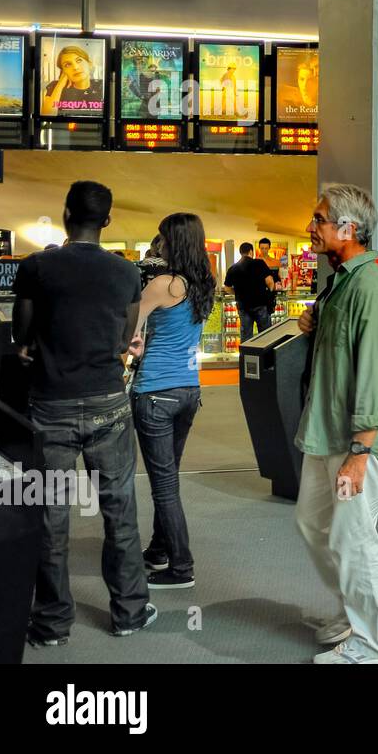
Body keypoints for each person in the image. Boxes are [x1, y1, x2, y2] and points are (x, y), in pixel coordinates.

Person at [12, 180, 156, 644]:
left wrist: (36, 347)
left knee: (50, 513)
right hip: (108, 404)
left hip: (50, 404)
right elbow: (122, 341)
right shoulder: (126, 273)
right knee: (120, 511)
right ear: (108, 221)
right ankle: (130, 612)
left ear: (65, 215)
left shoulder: (37, 267)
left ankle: (53, 623)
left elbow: (22, 335)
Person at [294, 184, 378, 664]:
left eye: (319, 219)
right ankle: (350, 613)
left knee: (353, 539)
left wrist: (360, 454)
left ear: (348, 228)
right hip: (325, 433)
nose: (311, 228)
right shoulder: (341, 282)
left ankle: (373, 644)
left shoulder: (372, 286)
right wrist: (319, 322)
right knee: (314, 525)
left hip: (351, 443)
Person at [127, 213, 216, 590]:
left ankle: (181, 567)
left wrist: (134, 344)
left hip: (155, 393)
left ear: (172, 242)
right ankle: (159, 549)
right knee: (169, 478)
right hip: (188, 391)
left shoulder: (163, 283)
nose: (158, 244)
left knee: (163, 486)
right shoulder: (204, 283)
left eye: (162, 238)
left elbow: (125, 330)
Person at [224, 242, 275, 342]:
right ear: (251, 251)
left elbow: (227, 288)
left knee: (246, 337)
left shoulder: (233, 268)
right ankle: (266, 357)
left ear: (241, 252)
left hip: (243, 306)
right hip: (260, 304)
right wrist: (270, 293)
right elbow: (270, 282)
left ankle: (246, 357)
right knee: (265, 335)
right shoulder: (259, 263)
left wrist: (238, 293)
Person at [40, 45, 104, 117]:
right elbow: (47, 114)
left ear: (89, 63)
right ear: (63, 71)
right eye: (67, 65)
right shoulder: (55, 86)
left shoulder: (102, 85)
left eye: (79, 60)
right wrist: (60, 84)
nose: (75, 67)